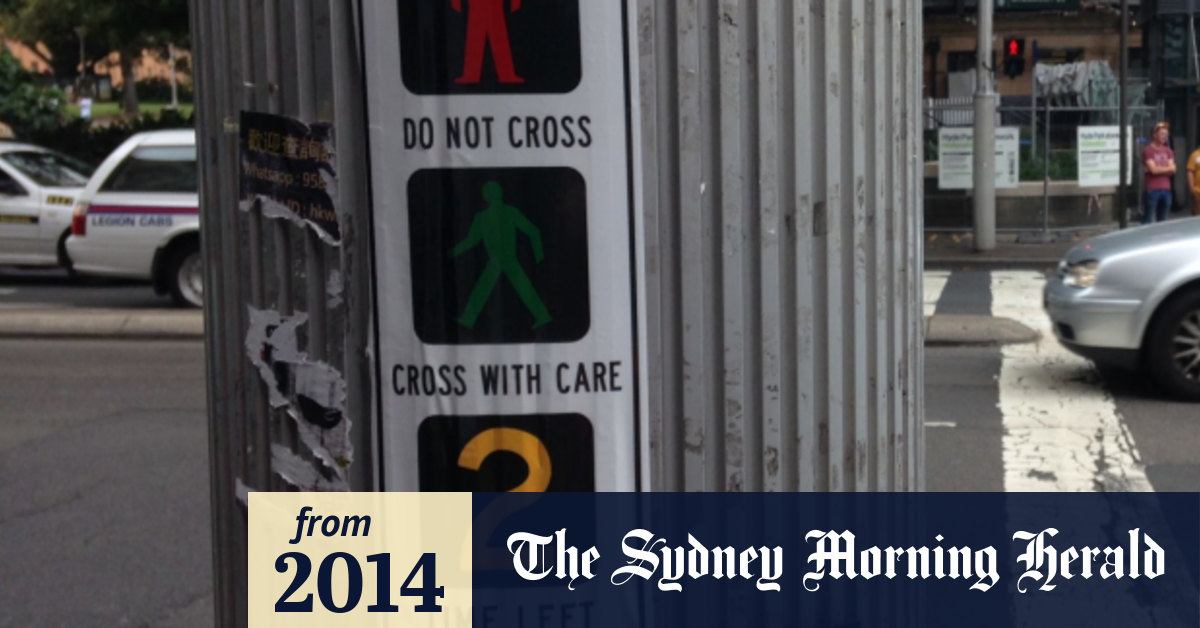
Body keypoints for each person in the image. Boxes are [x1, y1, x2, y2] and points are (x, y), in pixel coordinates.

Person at [1142, 121, 1176, 224]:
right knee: (1149, 220)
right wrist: (1166, 169)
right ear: (1154, 135)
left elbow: (1173, 169)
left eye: (1166, 134)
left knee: (1163, 222)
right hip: (1152, 189)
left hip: (1166, 189)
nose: (1165, 136)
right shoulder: (1148, 150)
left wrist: (1158, 169)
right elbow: (1153, 170)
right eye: (1162, 134)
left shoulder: (1168, 151)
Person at [1187, 142, 1200, 217]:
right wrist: (1192, 189)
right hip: (1198, 191)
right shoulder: (1195, 155)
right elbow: (1190, 172)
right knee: (1197, 217)